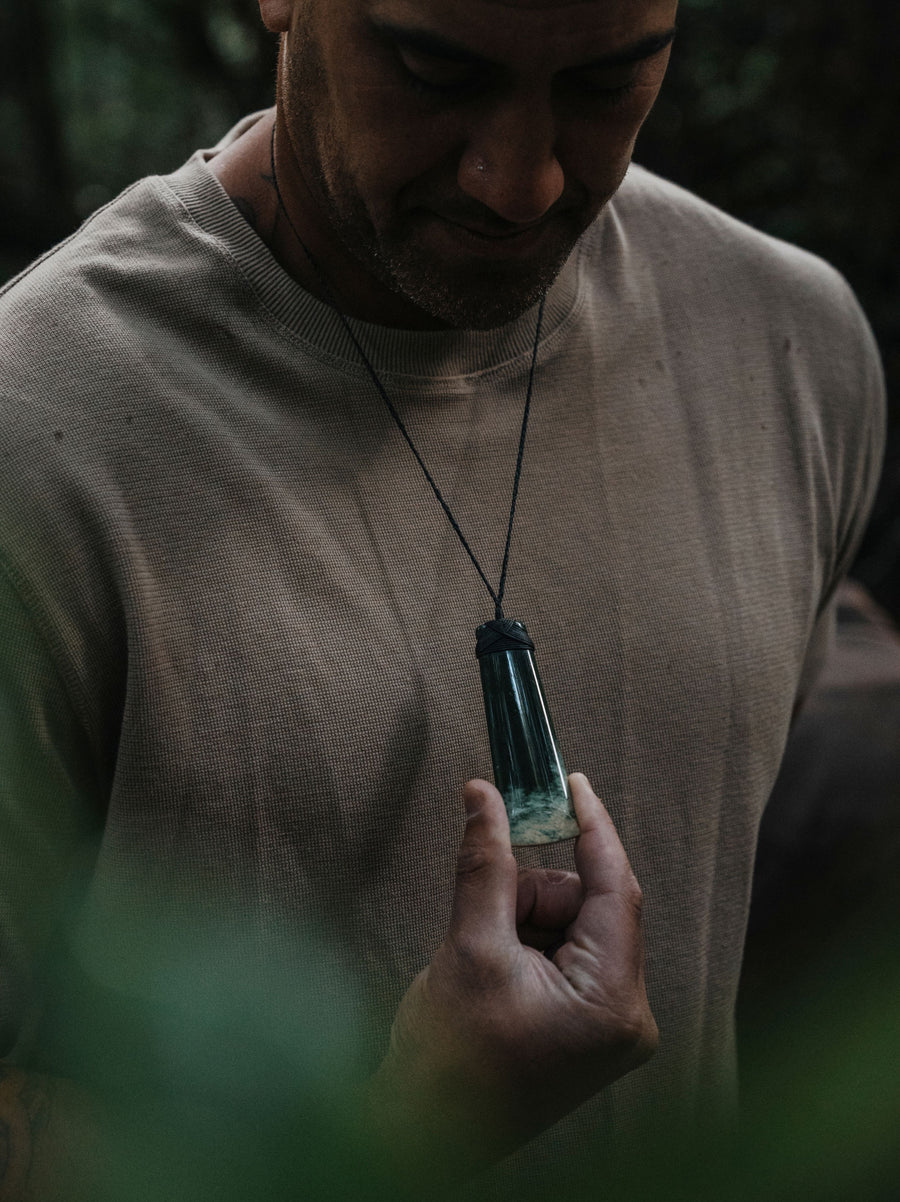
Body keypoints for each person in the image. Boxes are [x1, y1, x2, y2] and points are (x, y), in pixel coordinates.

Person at [0, 0, 886, 1195]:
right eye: (433, 72)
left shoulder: (795, 354)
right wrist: (405, 1127)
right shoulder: (37, 436)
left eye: (605, 86)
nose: (519, 182)